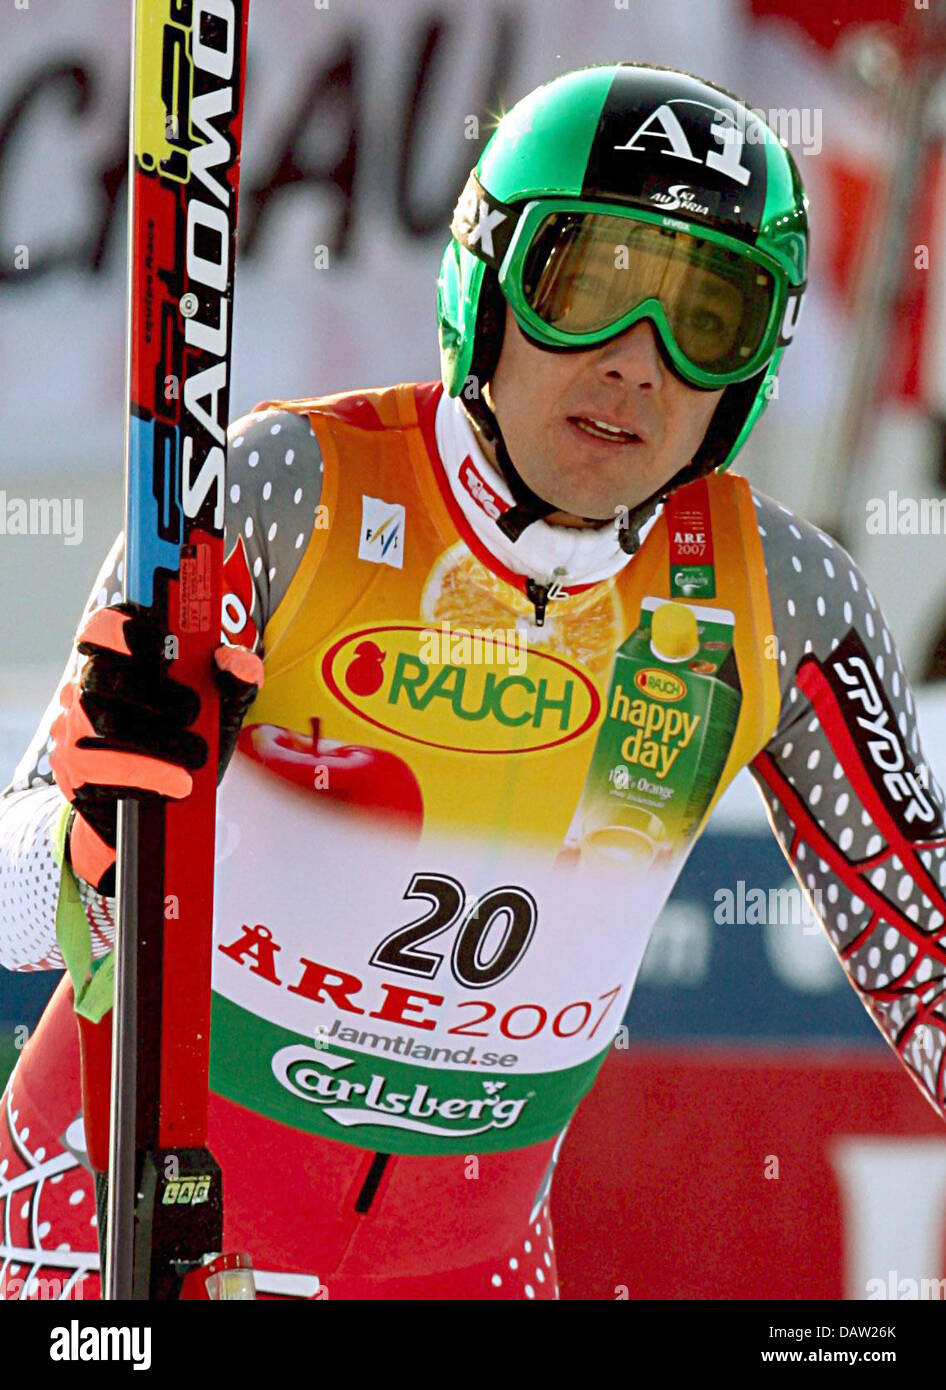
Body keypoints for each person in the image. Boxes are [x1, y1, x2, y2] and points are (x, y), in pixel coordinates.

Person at [1, 62, 944, 1302]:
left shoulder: (780, 599)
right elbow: (20, 917)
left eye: (701, 318)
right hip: (125, 1198)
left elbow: (925, 957)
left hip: (464, 1264)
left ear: (748, 367)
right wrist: (93, 831)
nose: (636, 366)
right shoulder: (288, 487)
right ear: (489, 283)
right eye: (587, 287)